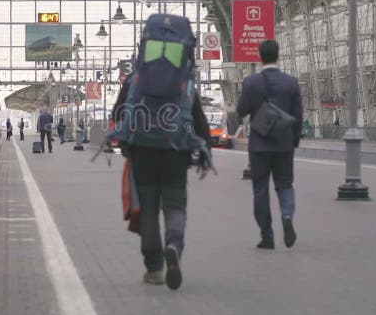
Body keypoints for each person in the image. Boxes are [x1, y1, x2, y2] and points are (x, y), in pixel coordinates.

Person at [113, 74, 211, 290]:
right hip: (176, 155)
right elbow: (198, 120)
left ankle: (154, 269)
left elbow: (117, 114)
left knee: (148, 211)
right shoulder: (184, 80)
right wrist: (205, 157)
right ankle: (174, 245)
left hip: (142, 155)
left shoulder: (134, 79)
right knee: (175, 207)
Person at [235, 39, 303, 250]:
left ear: (260, 56)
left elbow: (241, 111)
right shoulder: (291, 83)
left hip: (259, 146)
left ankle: (267, 236)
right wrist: (294, 141)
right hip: (284, 145)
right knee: (285, 185)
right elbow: (298, 116)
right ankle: (287, 215)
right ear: (278, 55)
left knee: (260, 189)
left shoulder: (251, 82)